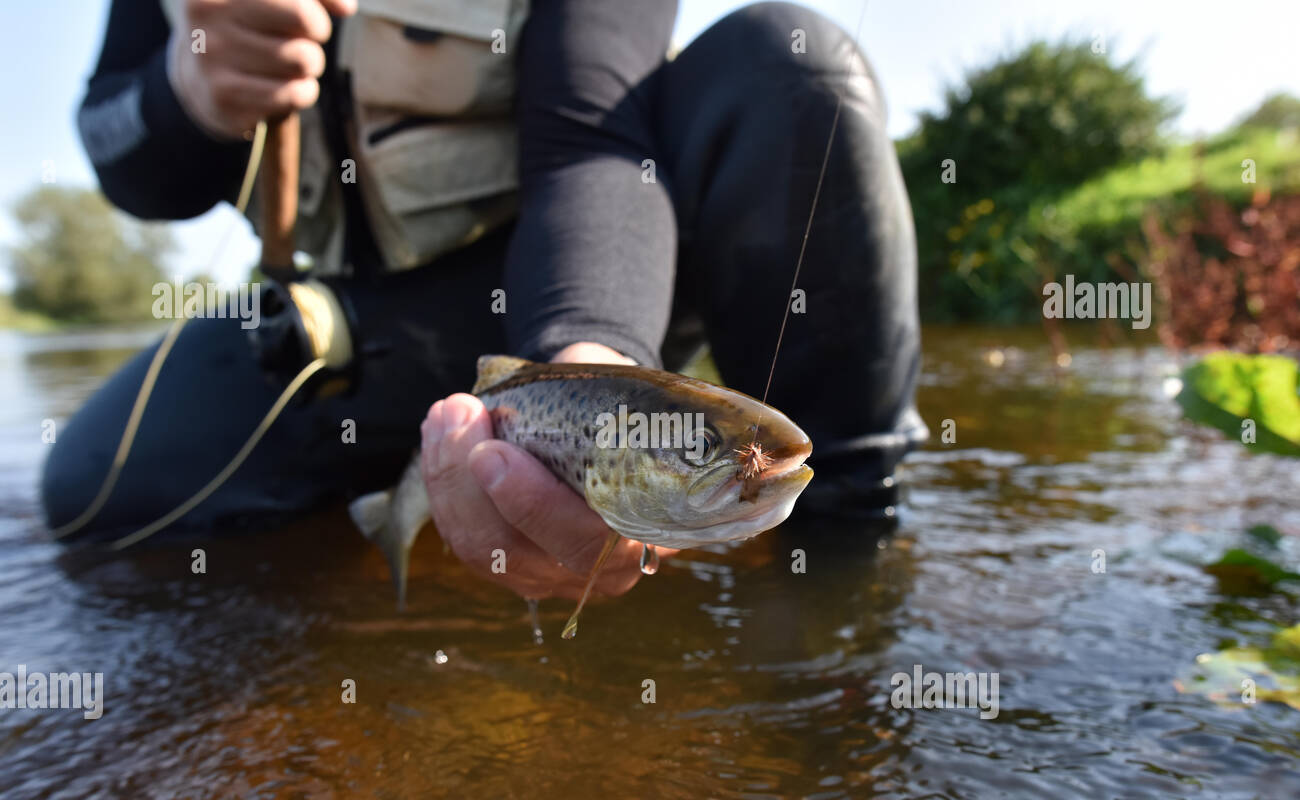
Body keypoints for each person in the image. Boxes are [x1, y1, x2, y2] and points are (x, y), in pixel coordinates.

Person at [45, 0, 926, 603]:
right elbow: (123, 159)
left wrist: (592, 356)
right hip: (334, 328)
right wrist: (185, 88)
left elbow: (589, 146)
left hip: (560, 292)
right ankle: (380, 515)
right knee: (89, 499)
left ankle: (848, 565)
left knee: (792, 69)